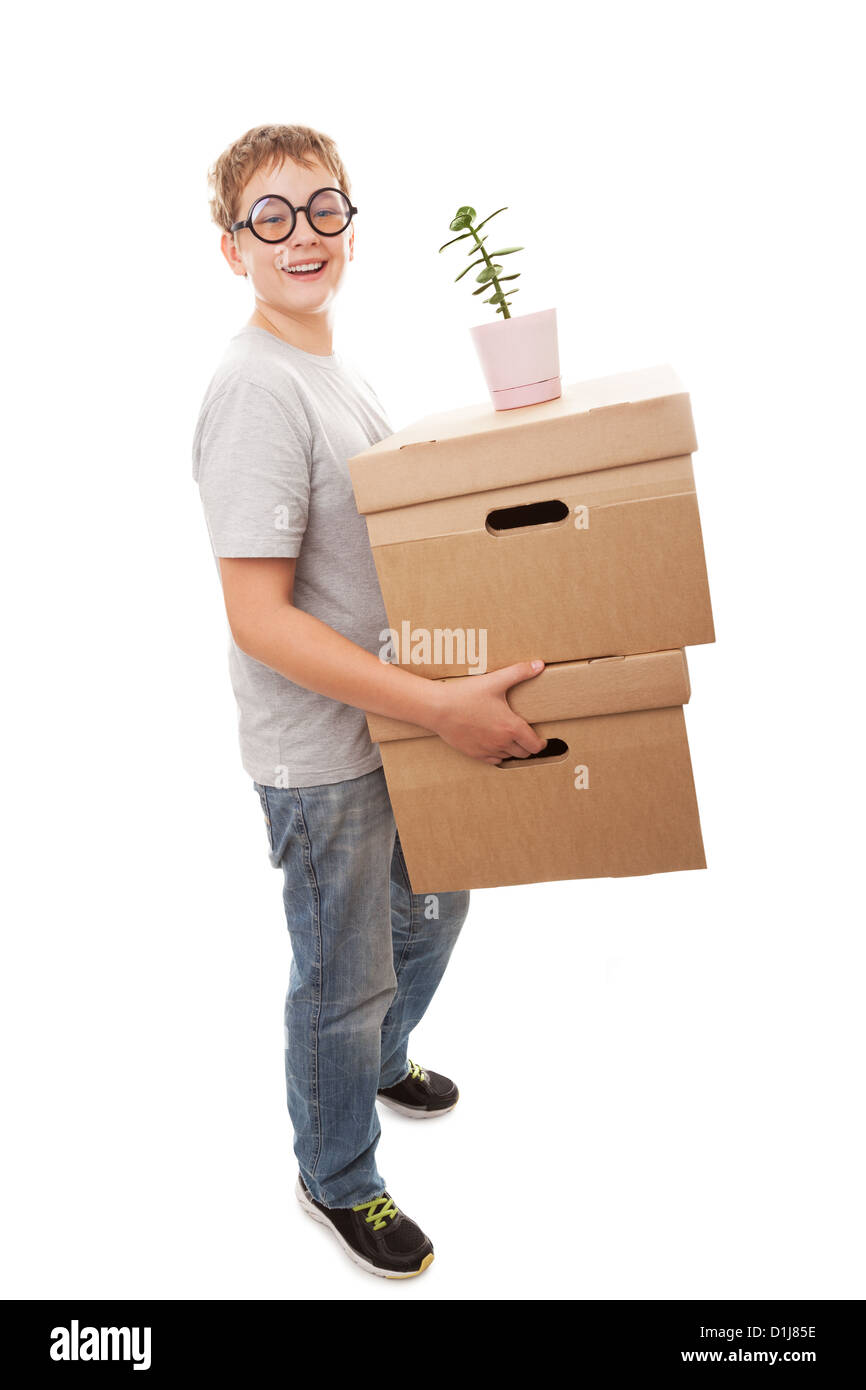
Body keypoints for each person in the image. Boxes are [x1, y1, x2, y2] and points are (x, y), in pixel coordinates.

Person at [192, 123, 546, 1279]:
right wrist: (436, 707)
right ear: (231, 243)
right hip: (324, 750)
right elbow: (259, 615)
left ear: (351, 223)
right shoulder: (252, 388)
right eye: (272, 215)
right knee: (341, 971)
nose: (303, 234)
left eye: (323, 208)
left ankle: (379, 1053)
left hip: (396, 714)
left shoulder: (333, 368)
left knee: (433, 909)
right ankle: (337, 1171)